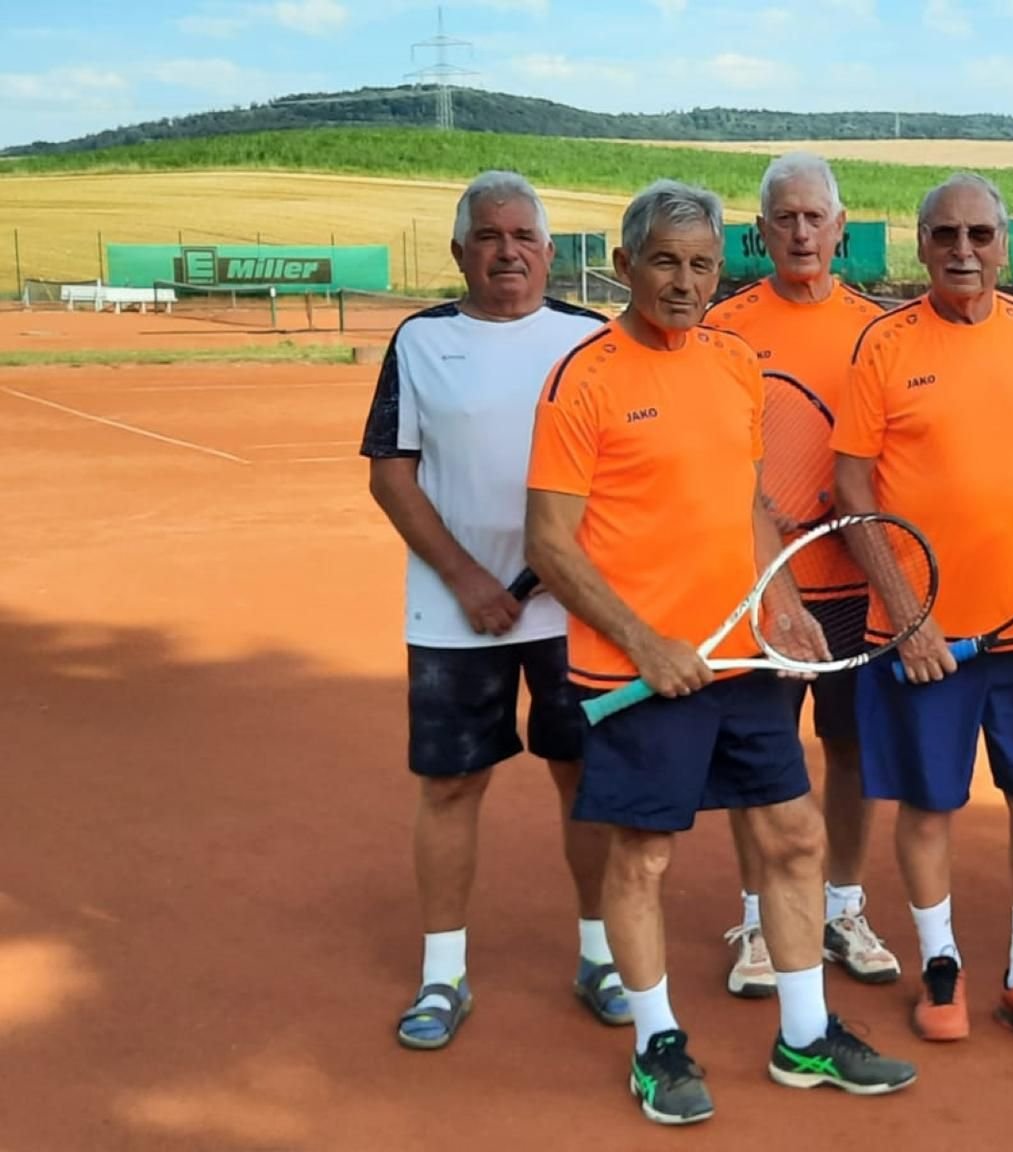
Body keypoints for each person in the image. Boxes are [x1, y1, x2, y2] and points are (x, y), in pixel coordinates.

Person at [524, 179, 917, 1125]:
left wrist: (780, 605)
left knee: (794, 838)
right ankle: (658, 1044)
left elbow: (745, 503)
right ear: (624, 266)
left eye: (702, 264)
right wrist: (644, 641)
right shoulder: (584, 378)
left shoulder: (734, 365)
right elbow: (547, 539)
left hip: (739, 660)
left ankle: (806, 1036)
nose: (686, 282)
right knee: (644, 856)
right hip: (637, 669)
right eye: (665, 260)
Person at [832, 171, 1013, 1054]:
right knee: (929, 805)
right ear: (920, 245)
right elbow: (851, 482)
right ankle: (940, 959)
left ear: (1008, 245)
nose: (963, 252)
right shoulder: (883, 344)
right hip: (921, 639)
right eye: (945, 235)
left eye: (980, 235)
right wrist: (907, 617)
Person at [360, 170, 623, 1052]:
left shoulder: (593, 338)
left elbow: (622, 469)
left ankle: (600, 958)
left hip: (570, 610)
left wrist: (570, 565)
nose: (507, 251)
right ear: (460, 251)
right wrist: (469, 579)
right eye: (489, 235)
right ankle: (442, 975)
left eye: (523, 236)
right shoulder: (422, 340)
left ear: (550, 252)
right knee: (451, 784)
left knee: (583, 778)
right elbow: (390, 471)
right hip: (453, 613)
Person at [703, 152, 899, 997]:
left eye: (814, 216)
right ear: (759, 232)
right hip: (763, 590)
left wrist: (857, 499)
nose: (800, 231)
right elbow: (707, 448)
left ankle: (841, 908)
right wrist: (754, 508)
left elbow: (898, 446)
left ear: (841, 228)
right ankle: (757, 914)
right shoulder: (724, 327)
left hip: (858, 588)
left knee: (852, 751)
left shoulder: (881, 329)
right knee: (763, 757)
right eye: (783, 218)